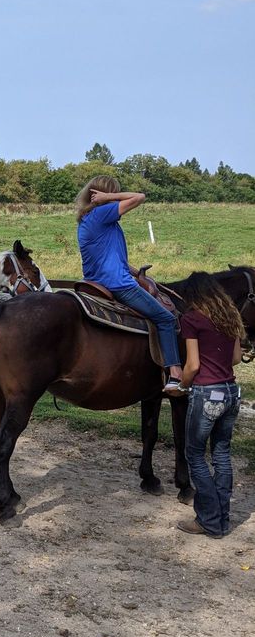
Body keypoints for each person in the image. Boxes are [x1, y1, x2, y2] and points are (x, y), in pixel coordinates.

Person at [76, 175, 183, 391]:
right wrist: (109, 197)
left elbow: (109, 255)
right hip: (118, 284)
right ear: (102, 195)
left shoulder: (87, 219)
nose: (117, 199)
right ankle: (175, 374)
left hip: (95, 281)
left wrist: (136, 272)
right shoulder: (102, 213)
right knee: (165, 318)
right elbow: (139, 197)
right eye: (114, 193)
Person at [176, 272, 244, 538]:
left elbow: (192, 365)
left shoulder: (192, 319)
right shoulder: (231, 317)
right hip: (231, 392)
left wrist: (181, 386)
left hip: (206, 393)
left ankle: (209, 519)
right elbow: (237, 358)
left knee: (194, 455)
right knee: (221, 456)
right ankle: (222, 519)